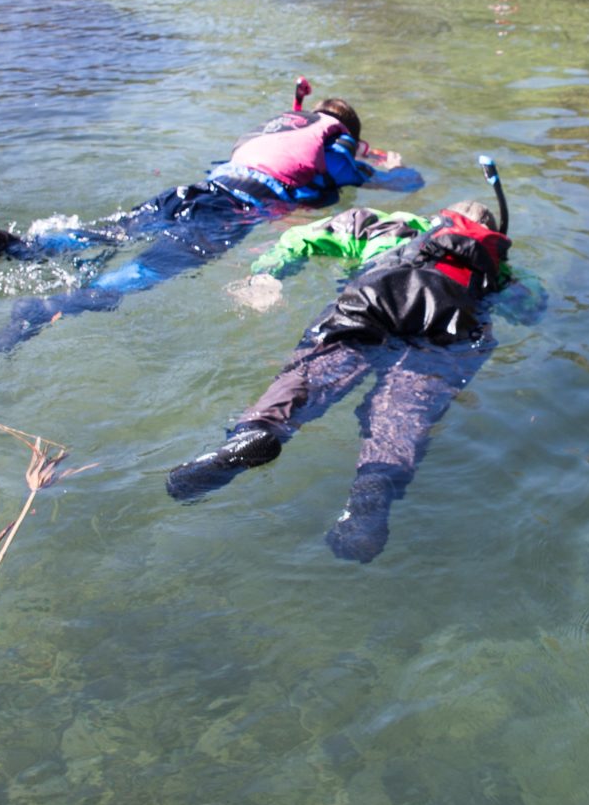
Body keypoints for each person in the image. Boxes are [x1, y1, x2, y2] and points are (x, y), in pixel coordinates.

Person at [0, 81, 418, 351]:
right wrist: (385, 162)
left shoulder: (276, 128)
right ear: (343, 127)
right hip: (233, 210)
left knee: (106, 232)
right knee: (149, 271)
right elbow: (397, 183)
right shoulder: (337, 143)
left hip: (193, 190)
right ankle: (51, 306)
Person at [170, 176, 538, 562]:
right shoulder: (495, 272)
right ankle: (372, 490)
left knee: (316, 372)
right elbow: (531, 309)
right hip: (449, 322)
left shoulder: (396, 226)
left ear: (439, 218)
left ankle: (254, 433)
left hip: (376, 298)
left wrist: (269, 269)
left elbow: (307, 237)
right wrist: (508, 269)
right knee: (406, 412)